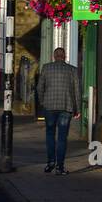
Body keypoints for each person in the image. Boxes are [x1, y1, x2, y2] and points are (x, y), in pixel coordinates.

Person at [36, 46, 81, 174]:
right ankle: (59, 167)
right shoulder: (72, 70)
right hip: (66, 107)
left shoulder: (46, 68)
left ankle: (50, 163)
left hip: (49, 107)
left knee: (50, 134)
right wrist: (77, 109)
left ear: (54, 57)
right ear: (65, 57)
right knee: (62, 137)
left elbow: (39, 88)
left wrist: (43, 102)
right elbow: (77, 91)